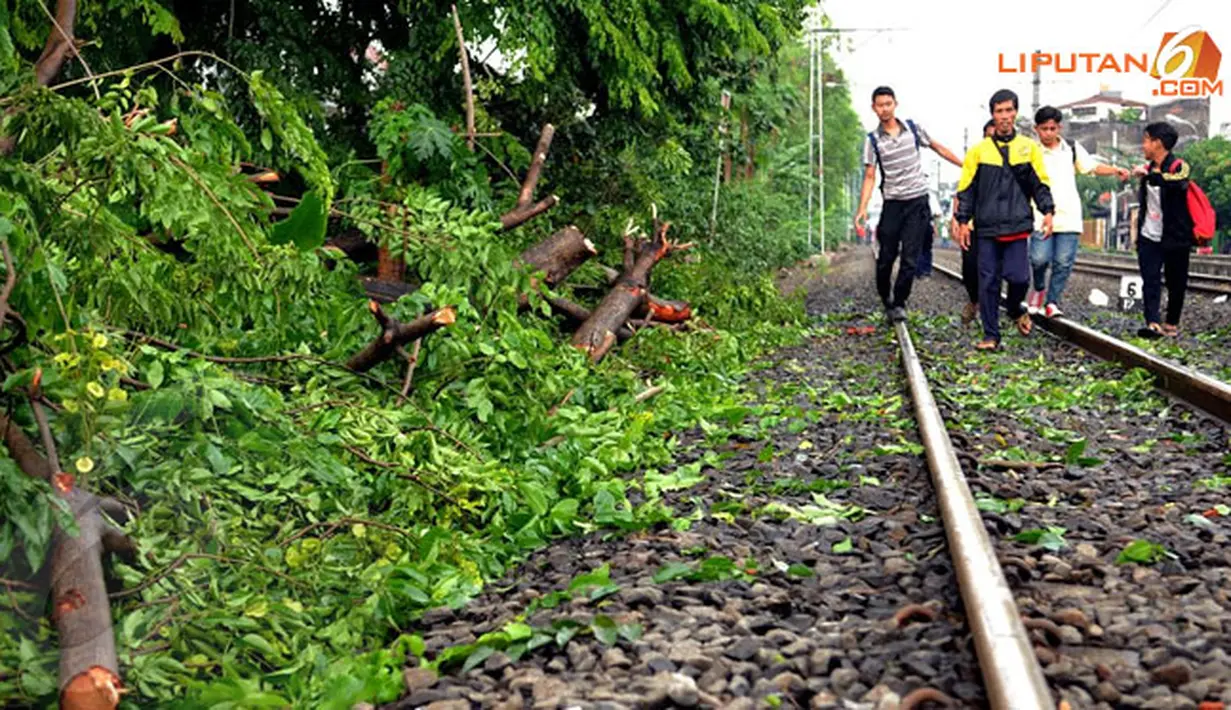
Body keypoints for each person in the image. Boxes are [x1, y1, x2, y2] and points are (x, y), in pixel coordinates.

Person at [954, 89, 1055, 350]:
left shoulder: (1029, 148)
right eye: (999, 111)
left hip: (1017, 225)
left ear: (1015, 113)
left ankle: (1014, 309)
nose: (1004, 116)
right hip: (986, 228)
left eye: (1009, 110)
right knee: (988, 281)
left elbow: (1039, 184)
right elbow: (966, 189)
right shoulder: (978, 152)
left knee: (1019, 277)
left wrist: (1048, 212)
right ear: (992, 115)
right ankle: (990, 335)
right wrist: (963, 221)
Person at [854, 86, 964, 322]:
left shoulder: (913, 129)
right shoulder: (872, 140)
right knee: (886, 258)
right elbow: (870, 176)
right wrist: (862, 209)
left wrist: (965, 165)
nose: (884, 108)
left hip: (917, 202)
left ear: (895, 104)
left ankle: (900, 302)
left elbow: (939, 148)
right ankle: (886, 298)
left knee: (910, 258)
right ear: (874, 108)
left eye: (888, 103)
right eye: (880, 105)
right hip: (893, 204)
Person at [1027, 106, 1130, 318]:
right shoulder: (1030, 151)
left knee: (1063, 263)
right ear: (1036, 129)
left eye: (1052, 128)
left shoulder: (1071, 148)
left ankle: (1052, 302)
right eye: (1043, 129)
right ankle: (1038, 288)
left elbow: (1091, 167)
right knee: (1039, 259)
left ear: (1059, 128)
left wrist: (1115, 170)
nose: (1048, 133)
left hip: (1069, 216)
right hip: (1040, 216)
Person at [1132, 122, 1193, 339]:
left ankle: (1171, 323)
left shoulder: (1179, 166)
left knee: (1176, 281)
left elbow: (1176, 183)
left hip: (1175, 236)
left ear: (1158, 143)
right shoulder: (1147, 168)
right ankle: (1153, 323)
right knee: (1150, 279)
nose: (1143, 146)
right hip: (1149, 234)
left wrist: (1149, 176)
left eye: (1146, 140)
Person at [954, 120, 997, 324]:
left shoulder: (1012, 163)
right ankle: (973, 301)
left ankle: (990, 312)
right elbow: (962, 191)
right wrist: (958, 219)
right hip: (972, 225)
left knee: (993, 270)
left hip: (998, 226)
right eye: (989, 136)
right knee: (970, 268)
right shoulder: (975, 160)